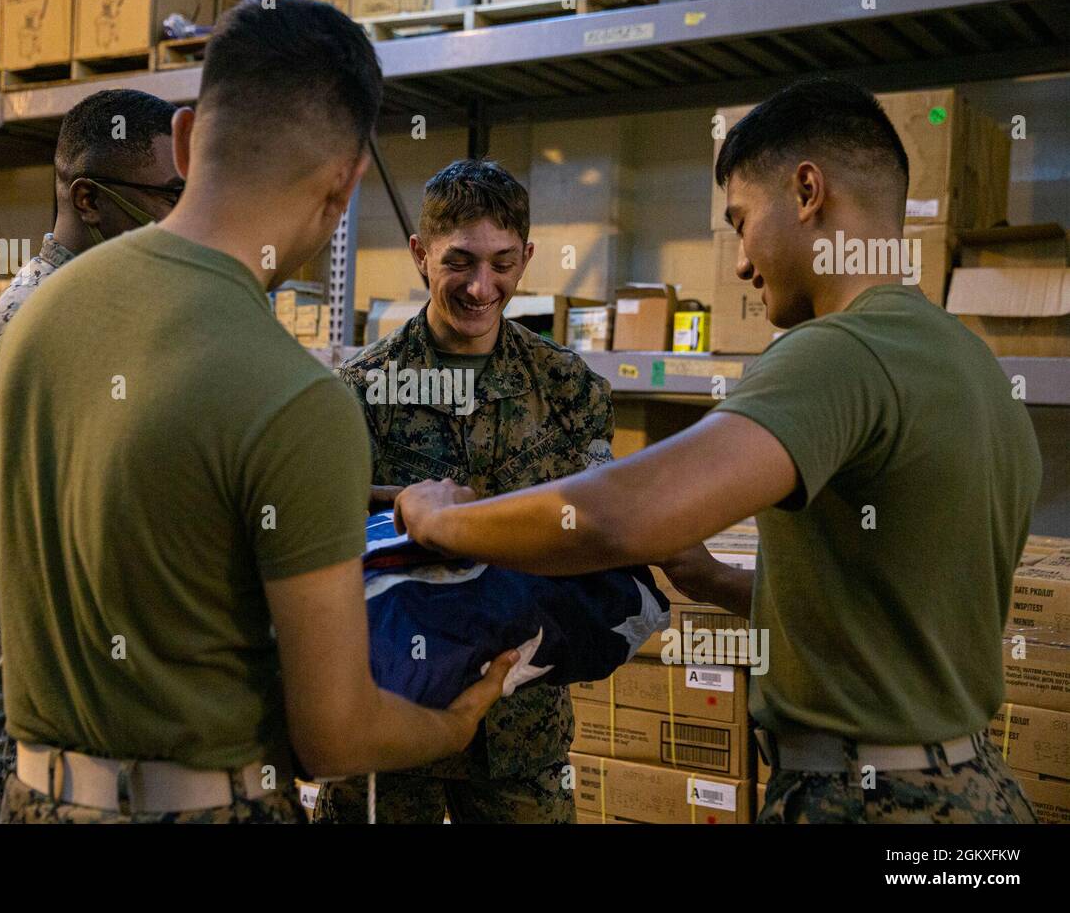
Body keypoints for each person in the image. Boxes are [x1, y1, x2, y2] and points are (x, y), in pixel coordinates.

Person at [394, 76, 1041, 824]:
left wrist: (439, 518)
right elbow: (895, 608)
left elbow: (622, 515)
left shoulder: (836, 353)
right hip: (975, 789)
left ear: (806, 192)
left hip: (868, 800)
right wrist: (717, 580)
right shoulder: (970, 365)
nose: (739, 262)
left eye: (740, 221)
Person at [0, 0, 514, 825]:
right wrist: (451, 727)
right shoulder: (300, 401)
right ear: (344, 186)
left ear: (185, 137)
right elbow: (335, 737)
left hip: (30, 799)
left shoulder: (38, 319)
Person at [315, 158, 614, 824]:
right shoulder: (361, 392)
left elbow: (594, 533)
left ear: (528, 256)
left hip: (520, 728)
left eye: (504, 263)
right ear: (420, 254)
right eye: (461, 261)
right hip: (391, 719)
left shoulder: (569, 388)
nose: (483, 286)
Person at [0, 88, 182, 824]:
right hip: (13, 741)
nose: (185, 214)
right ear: (92, 200)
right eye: (169, 192)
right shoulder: (27, 339)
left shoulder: (107, 320)